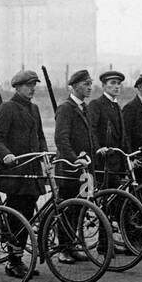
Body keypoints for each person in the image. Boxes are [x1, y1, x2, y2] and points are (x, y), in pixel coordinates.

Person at [0, 69, 47, 277]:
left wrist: (44, 156)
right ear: (17, 87)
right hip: (15, 173)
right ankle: (13, 262)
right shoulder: (7, 108)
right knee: (17, 217)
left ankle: (18, 258)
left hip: (32, 172)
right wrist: (6, 155)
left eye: (34, 85)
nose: (32, 89)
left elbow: (39, 136)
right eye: (28, 86)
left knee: (27, 215)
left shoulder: (34, 109)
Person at [53, 69, 97, 263]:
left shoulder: (83, 108)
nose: (89, 87)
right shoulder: (66, 108)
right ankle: (63, 249)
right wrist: (73, 160)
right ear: (75, 86)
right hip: (69, 169)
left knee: (78, 208)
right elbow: (61, 139)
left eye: (90, 83)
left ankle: (72, 245)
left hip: (83, 168)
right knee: (66, 208)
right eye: (86, 84)